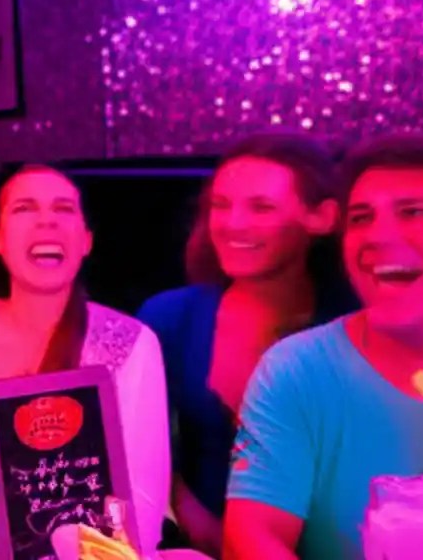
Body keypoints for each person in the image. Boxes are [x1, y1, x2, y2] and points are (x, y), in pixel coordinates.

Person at [0, 165, 170, 550]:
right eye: (25, 208)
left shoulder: (132, 344)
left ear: (86, 240)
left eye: (64, 209)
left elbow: (143, 514)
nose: (47, 222)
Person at [225, 134, 423, 560]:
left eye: (415, 212)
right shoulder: (297, 371)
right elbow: (253, 539)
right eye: (361, 218)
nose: (378, 236)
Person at [136, 132, 354, 555]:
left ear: (322, 217)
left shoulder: (355, 322)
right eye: (221, 205)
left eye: (261, 207)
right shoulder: (169, 318)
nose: (233, 224)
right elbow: (151, 460)